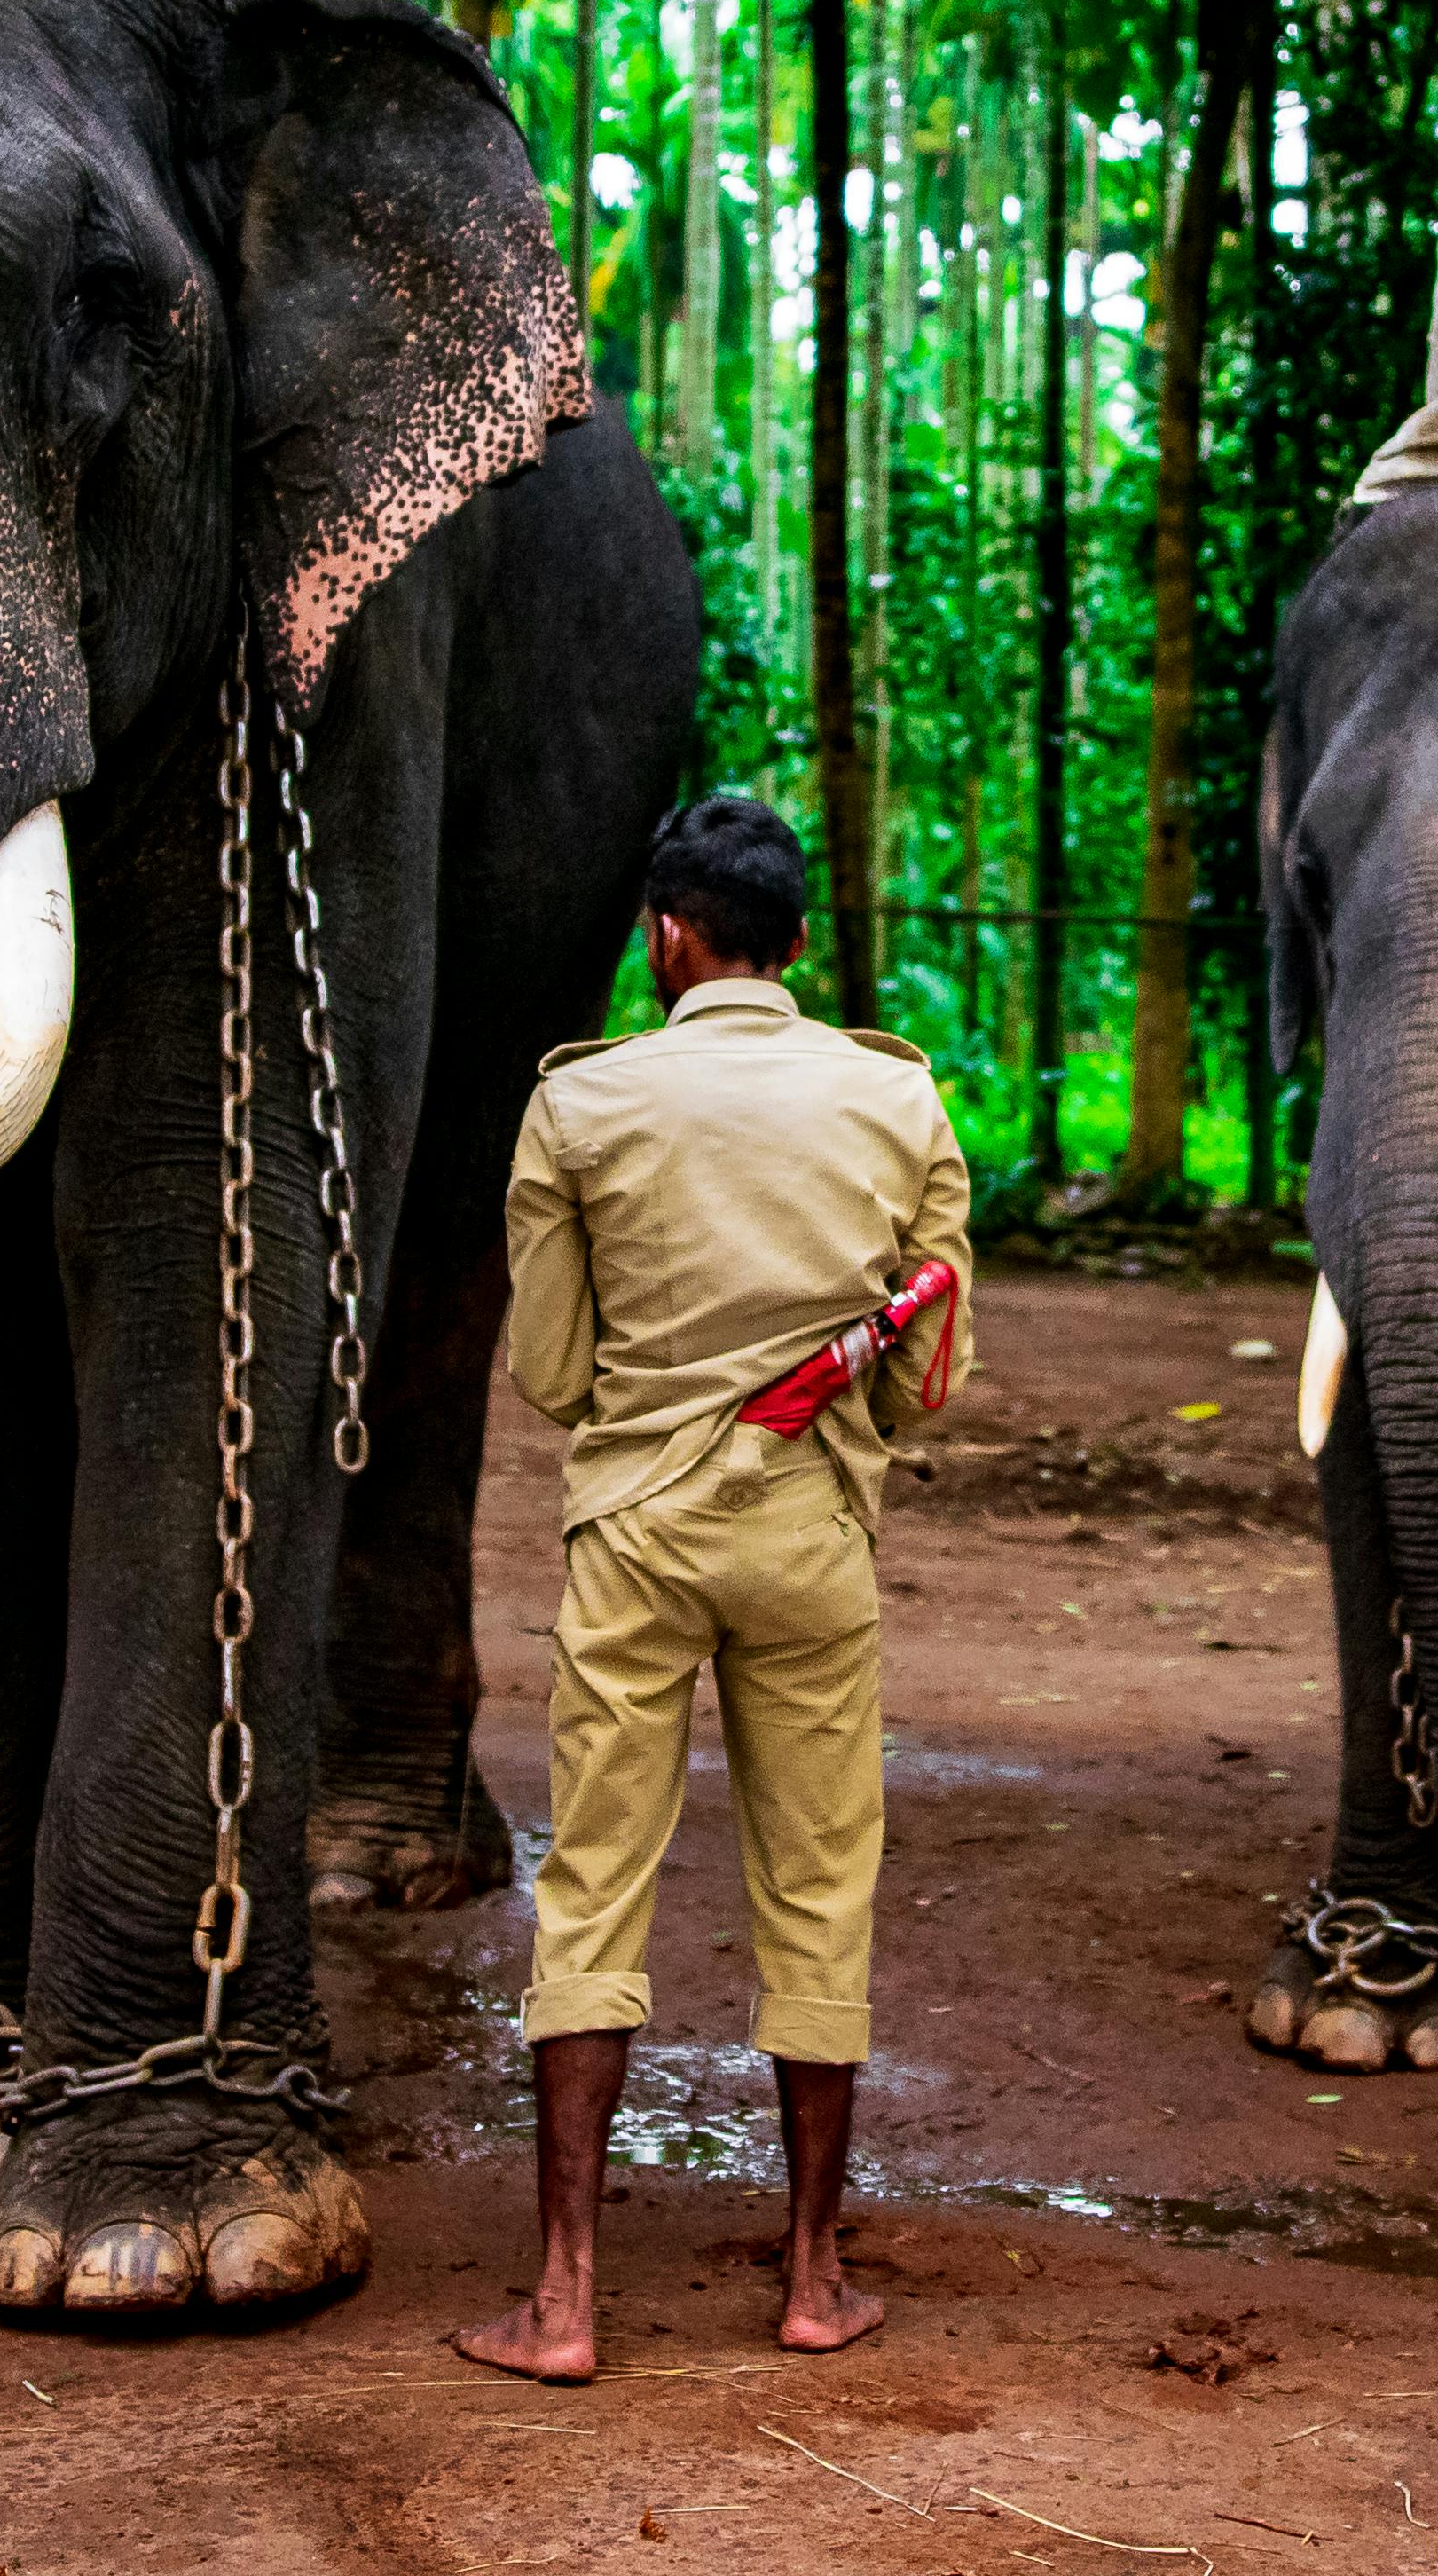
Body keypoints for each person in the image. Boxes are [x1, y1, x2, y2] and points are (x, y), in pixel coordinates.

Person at [457, 797, 972, 2384]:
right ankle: (814, 2277)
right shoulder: (893, 1099)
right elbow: (930, 1372)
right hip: (811, 1537)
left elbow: (548, 1366)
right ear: (799, 944)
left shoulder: (584, 1105)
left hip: (635, 1537)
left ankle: (564, 2297)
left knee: (593, 1881)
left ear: (664, 936)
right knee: (818, 1889)